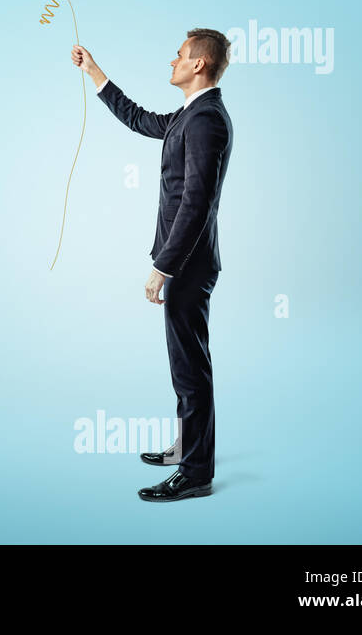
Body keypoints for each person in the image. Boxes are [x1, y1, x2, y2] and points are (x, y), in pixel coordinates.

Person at [71, 30, 234, 502]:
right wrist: (95, 73)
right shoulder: (191, 114)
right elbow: (140, 119)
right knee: (185, 363)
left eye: (180, 55)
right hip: (183, 259)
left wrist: (164, 266)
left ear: (199, 65)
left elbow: (195, 204)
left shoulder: (207, 121)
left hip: (187, 262)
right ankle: (190, 445)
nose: (172, 60)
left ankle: (197, 472)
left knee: (190, 368)